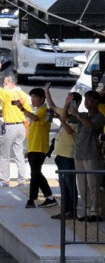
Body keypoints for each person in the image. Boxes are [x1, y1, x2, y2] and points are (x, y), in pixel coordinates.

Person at [67, 90, 105, 222]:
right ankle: (88, 211)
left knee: (93, 185)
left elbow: (92, 126)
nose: (88, 103)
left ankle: (96, 212)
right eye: (87, 100)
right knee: (82, 186)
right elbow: (66, 118)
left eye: (91, 101)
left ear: (97, 103)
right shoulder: (82, 115)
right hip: (79, 154)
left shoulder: (99, 117)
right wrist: (67, 104)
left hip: (93, 155)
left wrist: (78, 115)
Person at [0, 64, 30, 186]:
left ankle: (4, 180)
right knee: (19, 154)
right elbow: (28, 114)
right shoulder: (23, 95)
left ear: (11, 83)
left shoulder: (7, 94)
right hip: (21, 126)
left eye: (5, 83)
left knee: (4, 155)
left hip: (10, 127)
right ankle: (22, 180)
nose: (4, 85)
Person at [17, 85, 56, 208]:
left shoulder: (44, 110)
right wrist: (29, 149)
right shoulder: (39, 110)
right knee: (36, 174)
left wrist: (22, 108)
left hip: (40, 148)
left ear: (42, 99)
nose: (32, 100)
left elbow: (35, 118)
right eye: (32, 98)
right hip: (35, 147)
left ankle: (33, 199)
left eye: (34, 98)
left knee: (35, 174)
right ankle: (48, 197)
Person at [51, 91, 80, 220]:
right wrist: (47, 91)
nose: (67, 101)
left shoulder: (76, 117)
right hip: (60, 154)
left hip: (68, 156)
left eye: (70, 100)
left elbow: (69, 130)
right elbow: (54, 107)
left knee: (70, 184)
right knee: (63, 184)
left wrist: (61, 119)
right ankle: (65, 210)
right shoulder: (66, 114)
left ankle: (71, 210)